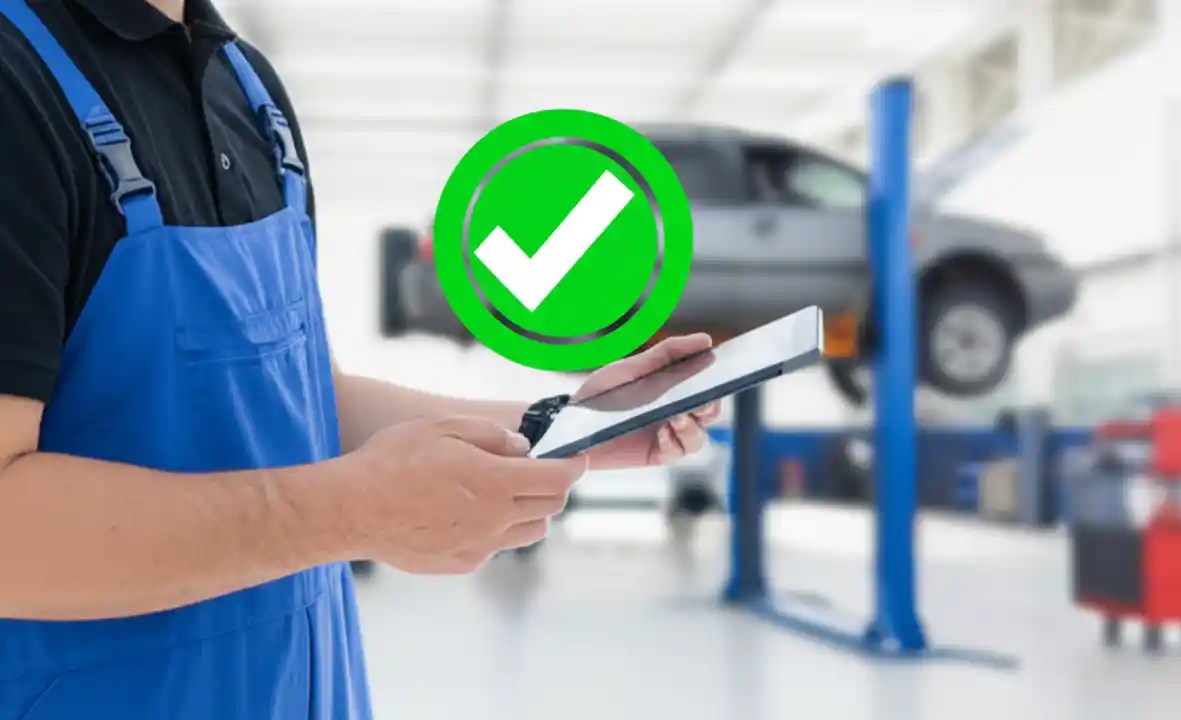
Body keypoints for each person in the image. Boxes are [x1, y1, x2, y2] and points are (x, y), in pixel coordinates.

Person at [0, 1, 719, 717]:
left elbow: (303, 401)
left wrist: (562, 424)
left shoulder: (247, 88)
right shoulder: (15, 78)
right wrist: (350, 512)